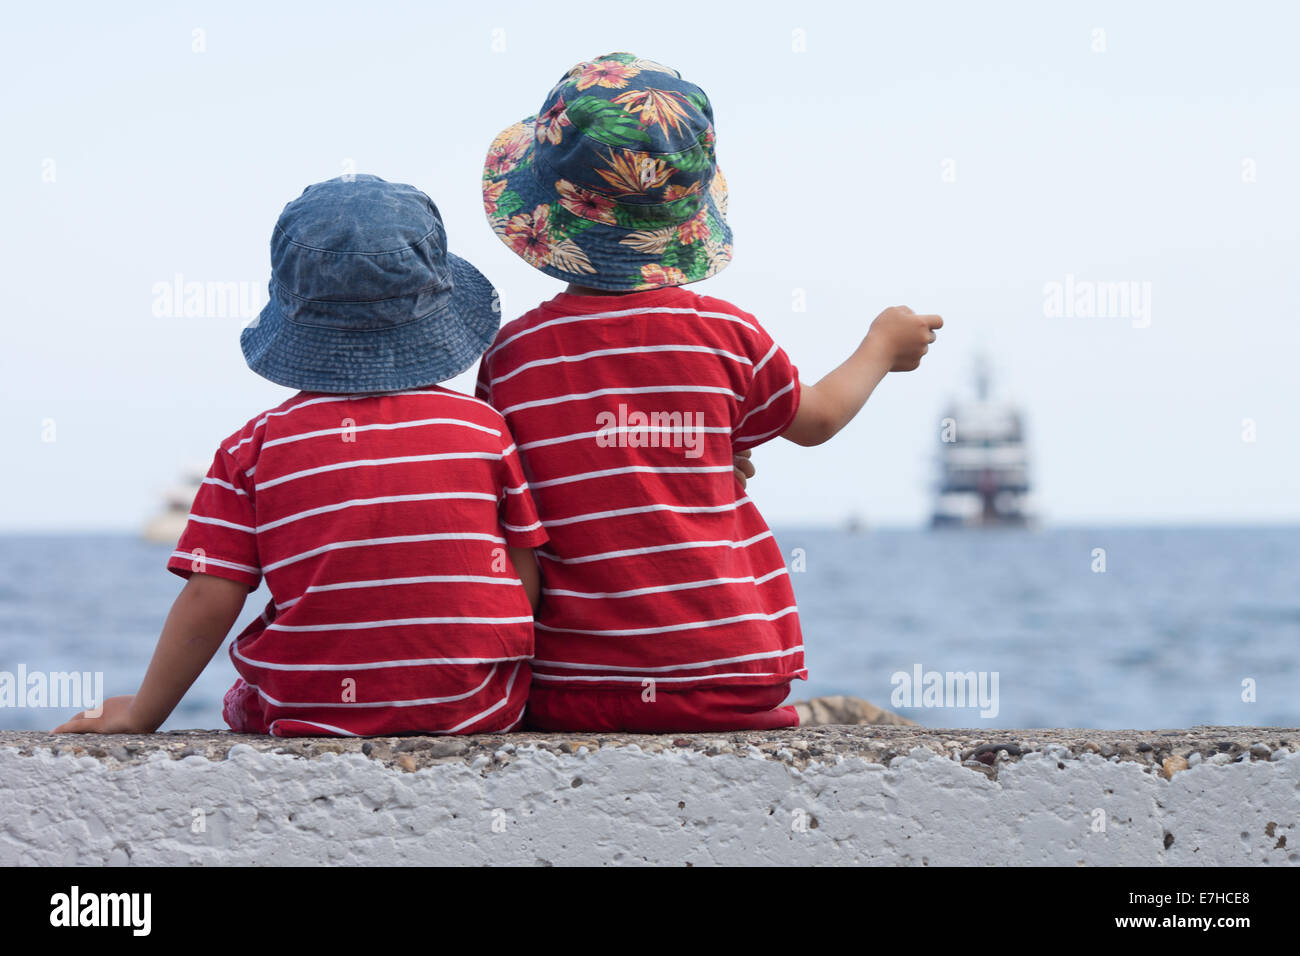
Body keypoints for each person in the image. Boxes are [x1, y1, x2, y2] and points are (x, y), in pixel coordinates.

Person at [476, 53, 942, 732]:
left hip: (571, 691)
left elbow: (530, 499)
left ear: (547, 209)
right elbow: (816, 420)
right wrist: (881, 347)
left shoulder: (513, 358)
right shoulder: (724, 335)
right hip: (729, 678)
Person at [56, 175, 547, 737]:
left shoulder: (254, 448)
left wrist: (142, 712)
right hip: (478, 710)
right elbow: (522, 573)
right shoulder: (484, 429)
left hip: (310, 715)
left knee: (244, 695)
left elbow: (209, 595)